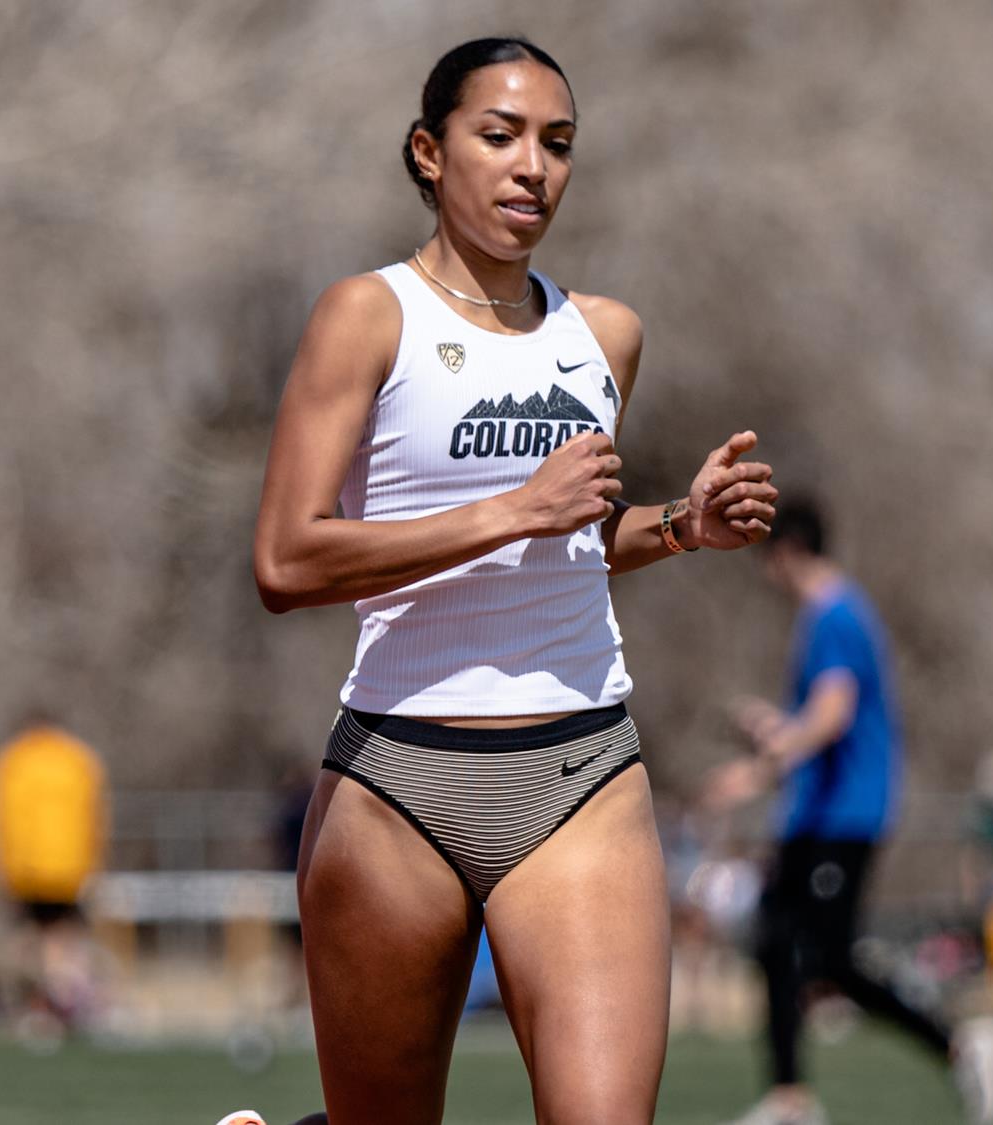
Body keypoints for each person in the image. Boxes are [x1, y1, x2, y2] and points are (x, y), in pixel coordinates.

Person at [241, 37, 779, 1125]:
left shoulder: (605, 335)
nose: (533, 165)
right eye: (500, 136)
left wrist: (681, 526)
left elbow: (570, 541)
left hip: (579, 771)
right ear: (428, 152)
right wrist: (512, 510)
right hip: (395, 780)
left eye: (557, 143)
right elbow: (287, 560)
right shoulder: (368, 316)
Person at [706, 499, 993, 1125]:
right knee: (775, 940)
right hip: (813, 816)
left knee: (829, 959)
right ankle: (790, 1098)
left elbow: (833, 713)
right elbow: (819, 717)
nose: (765, 573)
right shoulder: (824, 619)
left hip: (844, 816)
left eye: (766, 556)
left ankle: (958, 1044)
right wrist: (775, 730)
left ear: (789, 551)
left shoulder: (837, 616)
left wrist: (761, 769)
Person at [0, 714, 108, 1036]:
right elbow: (96, 814)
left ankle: (41, 1003)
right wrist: (96, 862)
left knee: (30, 939)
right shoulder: (77, 758)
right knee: (65, 937)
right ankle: (68, 1000)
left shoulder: (14, 759)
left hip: (26, 869)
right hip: (71, 867)